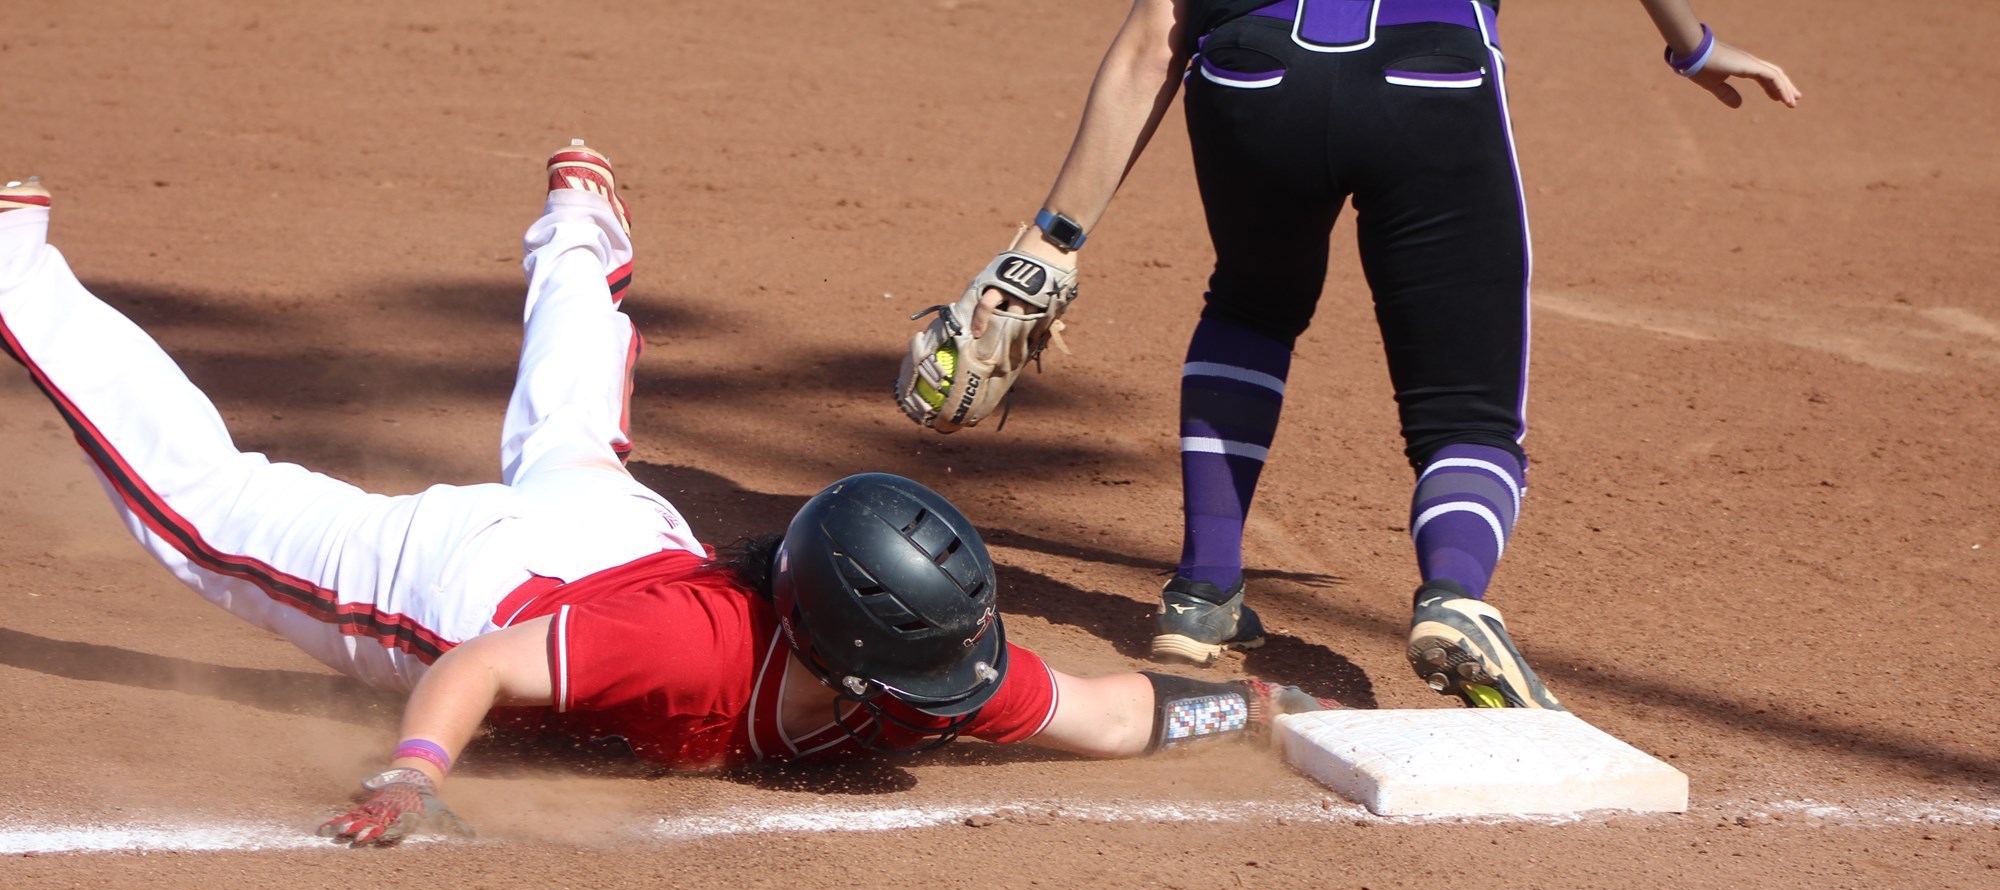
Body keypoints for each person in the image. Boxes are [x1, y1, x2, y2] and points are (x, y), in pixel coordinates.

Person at [0, 145, 1330, 845]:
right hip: (471, 579)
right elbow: (484, 665)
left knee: (577, 433)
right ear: (838, 649)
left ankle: (580, 231)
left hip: (622, 539)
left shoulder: (916, 641)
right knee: (207, 510)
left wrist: (1249, 708)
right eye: (920, 687)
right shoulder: (688, 651)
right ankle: (16, 266)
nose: (948, 704)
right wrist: (411, 772)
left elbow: (1101, 714)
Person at [962, 0, 1798, 707]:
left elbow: (1155, 38)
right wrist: (1693, 46)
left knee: (1252, 304)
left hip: (1252, 77)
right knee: (1467, 414)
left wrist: (1054, 237)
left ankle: (1200, 591)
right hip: (1429, 76)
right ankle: (1454, 596)